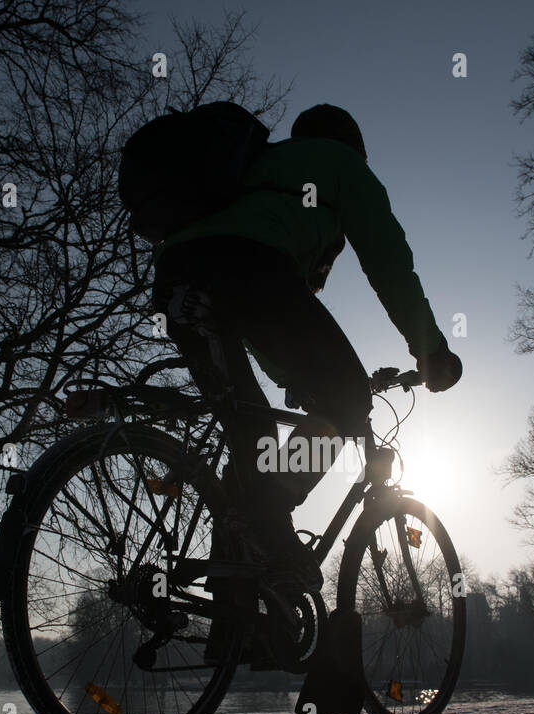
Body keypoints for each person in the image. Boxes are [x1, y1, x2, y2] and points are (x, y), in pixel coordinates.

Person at [150, 104, 462, 595]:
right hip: (250, 270)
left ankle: (237, 620)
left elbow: (260, 318)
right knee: (350, 399)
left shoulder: (261, 167)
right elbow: (389, 264)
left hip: (176, 280)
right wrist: (431, 351)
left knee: (251, 439)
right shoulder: (340, 165)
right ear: (352, 146)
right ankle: (265, 520)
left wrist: (292, 376)